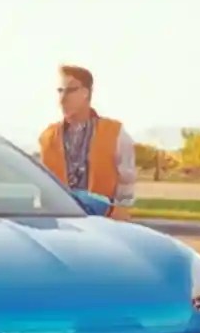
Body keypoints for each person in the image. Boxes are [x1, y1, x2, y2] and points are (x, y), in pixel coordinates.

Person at [37, 64, 137, 220]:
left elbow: (127, 180)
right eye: (60, 91)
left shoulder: (114, 132)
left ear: (86, 93)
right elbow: (41, 184)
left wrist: (120, 212)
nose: (62, 98)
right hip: (61, 220)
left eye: (70, 90)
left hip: (104, 221)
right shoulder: (47, 137)